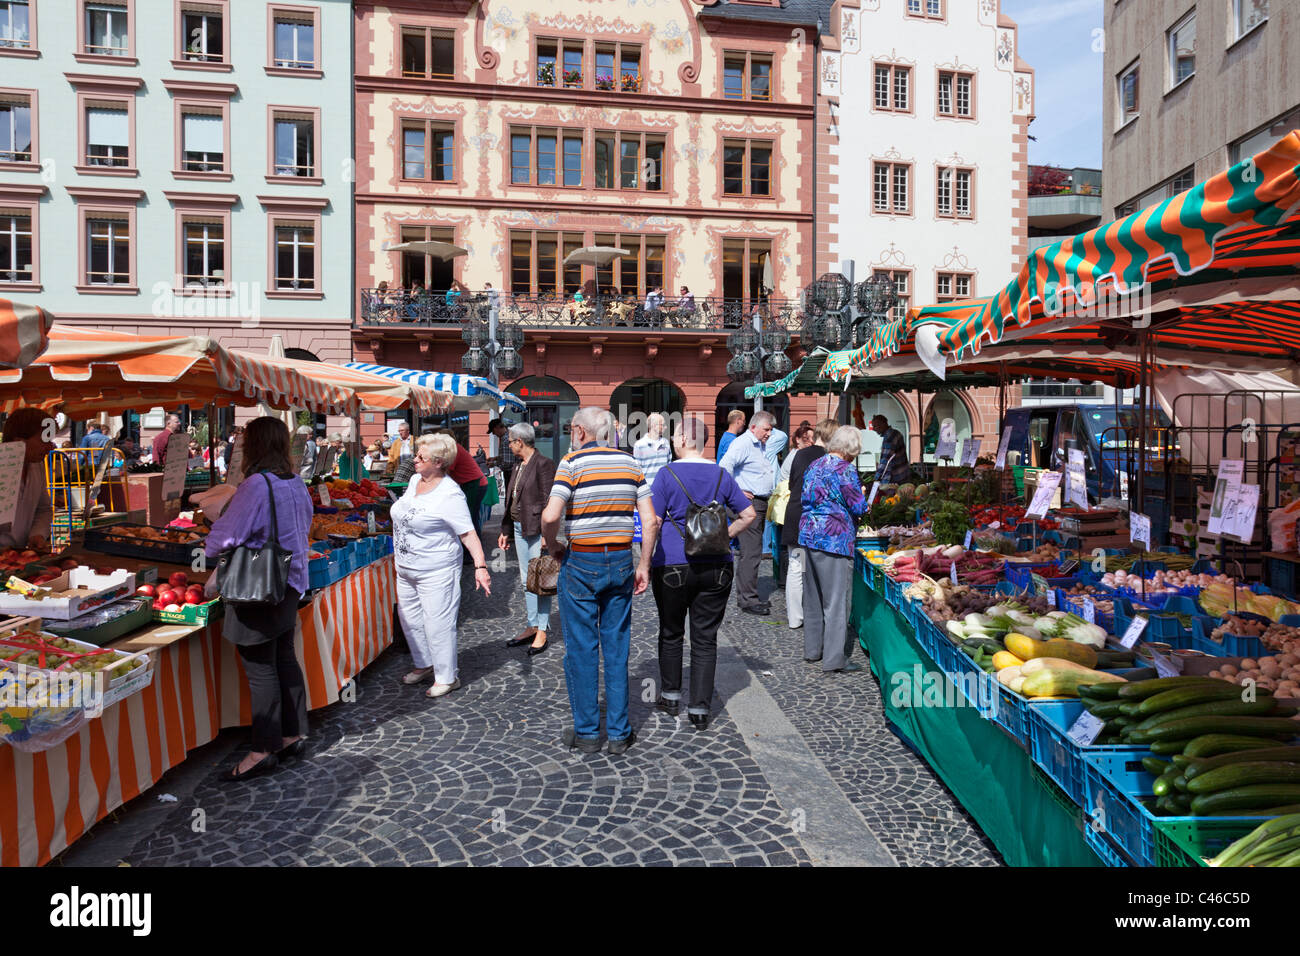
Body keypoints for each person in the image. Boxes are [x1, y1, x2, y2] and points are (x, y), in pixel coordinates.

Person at [203, 416, 314, 780]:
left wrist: (211, 531)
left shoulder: (254, 485)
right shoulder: (296, 482)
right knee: (283, 657)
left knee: (260, 669)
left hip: (258, 585)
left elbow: (224, 538)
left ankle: (262, 750)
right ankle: (293, 732)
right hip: (290, 582)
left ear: (251, 446)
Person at [541, 407, 656, 755]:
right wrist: (644, 565)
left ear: (579, 431)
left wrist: (552, 545)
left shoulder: (571, 464)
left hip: (582, 560)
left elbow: (550, 515)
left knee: (581, 648)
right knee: (617, 648)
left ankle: (588, 733)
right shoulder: (631, 464)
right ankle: (620, 734)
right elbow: (650, 522)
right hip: (620, 560)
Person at [645, 415, 755, 730]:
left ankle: (669, 696)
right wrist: (724, 535)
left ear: (681, 439)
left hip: (673, 564)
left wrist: (644, 560)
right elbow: (747, 515)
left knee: (671, 632)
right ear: (704, 441)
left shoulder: (667, 474)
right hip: (716, 564)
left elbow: (652, 520)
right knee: (705, 638)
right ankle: (700, 710)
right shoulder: (721, 474)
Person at [391, 433, 492, 698]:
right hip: (406, 568)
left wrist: (480, 567)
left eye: (421, 457)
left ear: (438, 462)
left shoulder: (450, 493)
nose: (414, 460)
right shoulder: (415, 480)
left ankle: (447, 677)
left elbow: (468, 533)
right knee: (410, 620)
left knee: (438, 623)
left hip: (437, 569)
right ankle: (424, 664)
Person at [799, 425, 870, 673]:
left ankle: (812, 650)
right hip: (834, 539)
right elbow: (859, 507)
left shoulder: (815, 464)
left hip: (808, 535)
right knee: (836, 602)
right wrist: (864, 496)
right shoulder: (846, 470)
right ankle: (833, 659)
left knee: (813, 598)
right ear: (851, 450)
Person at [497, 423, 557, 656]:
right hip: (520, 528)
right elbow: (511, 501)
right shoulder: (517, 466)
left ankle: (542, 629)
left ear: (520, 441)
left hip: (535, 530)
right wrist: (506, 531)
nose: (509, 444)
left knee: (540, 581)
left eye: (511, 441)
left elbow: (548, 501)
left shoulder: (543, 464)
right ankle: (533, 624)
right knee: (526, 582)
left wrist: (546, 534)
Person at [717, 410, 776, 615]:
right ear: (753, 427)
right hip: (747, 506)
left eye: (771, 429)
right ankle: (747, 600)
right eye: (767, 429)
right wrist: (737, 491)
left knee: (752, 551)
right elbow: (724, 467)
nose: (769, 433)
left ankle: (749, 595)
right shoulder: (743, 443)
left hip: (756, 504)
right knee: (751, 552)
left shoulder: (758, 444)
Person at [781, 418, 835, 630]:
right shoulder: (830, 458)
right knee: (817, 569)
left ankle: (795, 618)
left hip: (796, 515)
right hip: (816, 520)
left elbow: (792, 482)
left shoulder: (799, 454)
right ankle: (818, 617)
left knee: (796, 567)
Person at [0, 408, 53, 550]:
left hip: (18, 555)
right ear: (19, 441)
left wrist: (38, 533)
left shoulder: (38, 466)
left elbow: (43, 509)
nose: (50, 447)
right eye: (44, 440)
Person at [442, 432, 488, 537]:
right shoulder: (454, 449)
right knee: (471, 517)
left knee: (469, 517)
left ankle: (470, 549)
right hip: (473, 484)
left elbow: (447, 471)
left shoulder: (454, 450)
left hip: (475, 485)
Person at [632, 412, 671, 488]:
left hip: (664, 489)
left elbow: (669, 468)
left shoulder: (666, 443)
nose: (665, 427)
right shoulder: (639, 445)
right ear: (653, 426)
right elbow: (637, 471)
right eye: (662, 425)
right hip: (647, 490)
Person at [872, 413, 910, 484]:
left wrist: (876, 478)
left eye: (875, 426)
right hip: (902, 474)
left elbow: (885, 460)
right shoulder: (895, 433)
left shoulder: (890, 437)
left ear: (883, 424)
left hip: (897, 478)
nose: (874, 429)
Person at [488, 418, 515, 491]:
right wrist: (496, 458)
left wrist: (493, 464)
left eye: (493, 431)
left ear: (497, 428)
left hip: (511, 474)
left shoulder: (506, 439)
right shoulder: (507, 436)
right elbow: (508, 455)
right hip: (512, 473)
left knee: (509, 498)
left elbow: (507, 462)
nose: (494, 434)